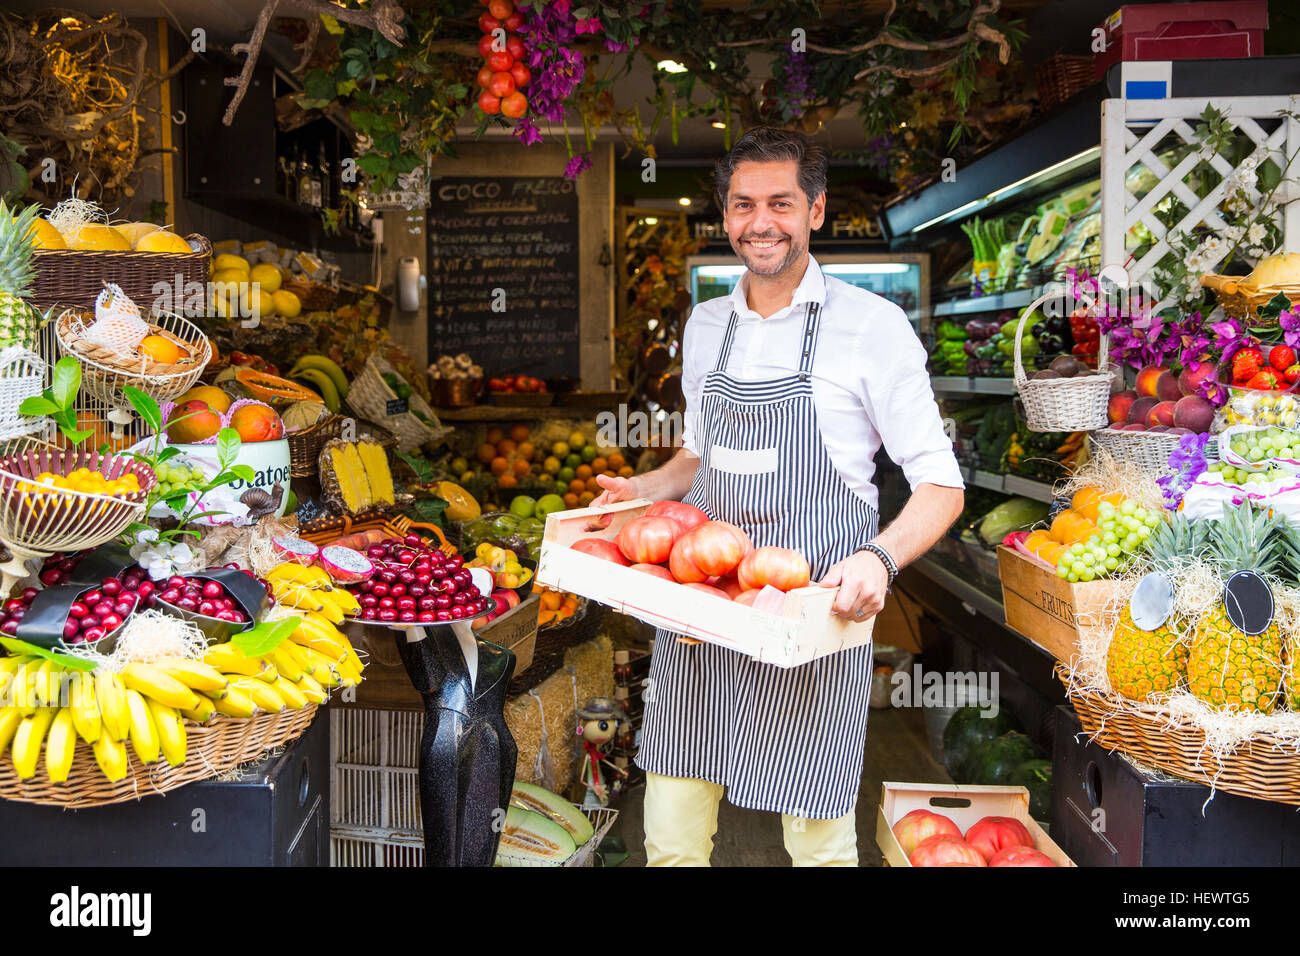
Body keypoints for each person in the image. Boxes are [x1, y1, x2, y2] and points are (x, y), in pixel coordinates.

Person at [593, 127, 965, 867]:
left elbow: (941, 483)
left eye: (780, 203)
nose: (760, 222)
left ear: (816, 211)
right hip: (701, 612)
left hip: (810, 616)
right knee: (668, 830)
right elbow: (699, 459)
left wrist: (880, 560)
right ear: (725, 216)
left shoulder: (871, 328)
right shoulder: (706, 326)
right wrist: (642, 491)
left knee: (817, 839)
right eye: (743, 204)